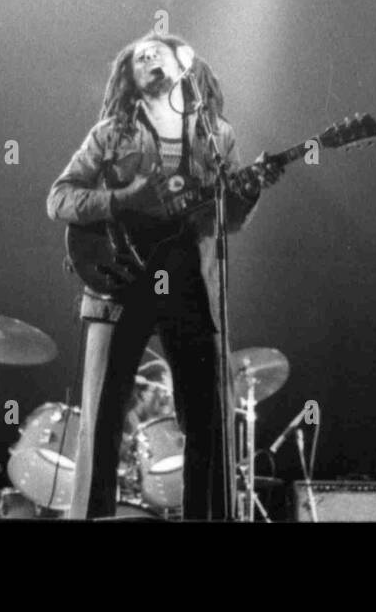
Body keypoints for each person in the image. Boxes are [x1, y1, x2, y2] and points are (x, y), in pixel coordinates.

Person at [46, 31, 282, 519]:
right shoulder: (112, 133)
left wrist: (251, 189)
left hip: (189, 286)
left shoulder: (218, 135)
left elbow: (227, 220)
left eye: (158, 52)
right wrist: (122, 199)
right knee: (102, 417)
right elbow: (59, 198)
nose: (149, 57)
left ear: (183, 61)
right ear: (130, 79)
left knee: (206, 418)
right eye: (139, 58)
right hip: (120, 280)